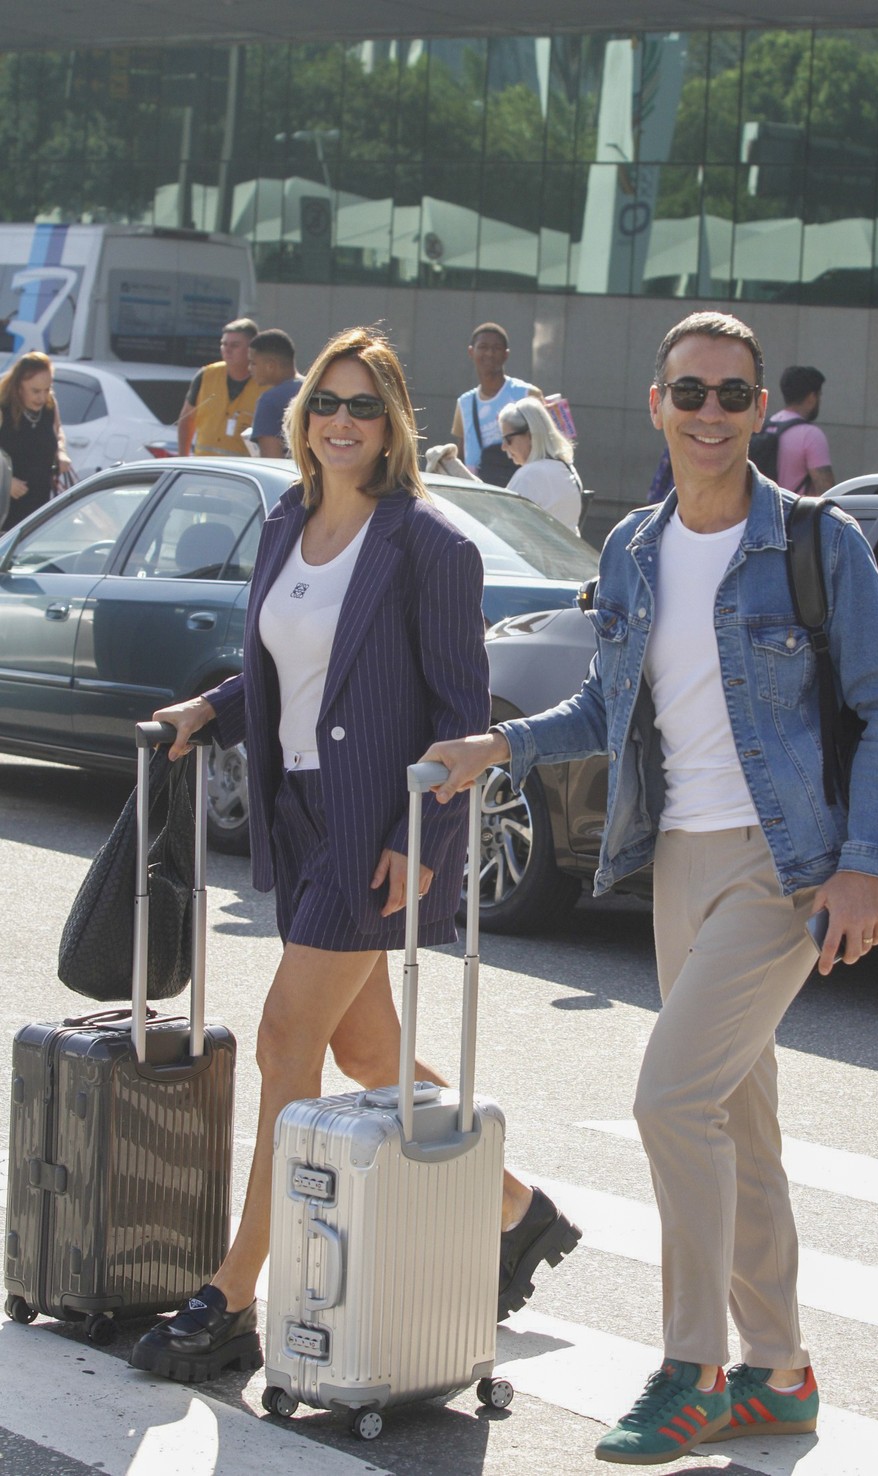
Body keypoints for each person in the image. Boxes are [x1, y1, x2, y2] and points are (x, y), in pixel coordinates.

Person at [420, 311, 878, 1465]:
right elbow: (607, 707)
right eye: (690, 392)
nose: (711, 413)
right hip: (677, 861)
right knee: (736, 1122)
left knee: (669, 1102)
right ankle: (781, 1374)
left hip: (785, 863)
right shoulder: (634, 548)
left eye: (733, 394)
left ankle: (691, 1367)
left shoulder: (814, 541)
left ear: (760, 410)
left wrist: (866, 863)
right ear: (656, 405)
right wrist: (497, 746)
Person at [130, 325, 578, 1383]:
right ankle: (515, 1210)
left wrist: (424, 841)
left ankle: (233, 1293)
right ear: (304, 416)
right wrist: (211, 707)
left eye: (364, 406)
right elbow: (290, 670)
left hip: (375, 829)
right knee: (372, 1058)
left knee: (286, 1042)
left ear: (394, 424)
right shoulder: (288, 521)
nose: (341, 421)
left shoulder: (430, 544)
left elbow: (462, 716)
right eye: (326, 403)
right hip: (297, 815)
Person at [451, 322, 541, 486]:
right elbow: (462, 451)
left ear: (506, 354)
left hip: (522, 486)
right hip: (479, 490)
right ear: (471, 351)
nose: (489, 353)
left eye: (496, 348)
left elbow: (548, 441)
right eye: (483, 347)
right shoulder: (465, 403)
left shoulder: (528, 394)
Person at [0, 351, 73, 531]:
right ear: (19, 386)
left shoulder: (49, 405)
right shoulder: (4, 407)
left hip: (38, 504)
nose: (42, 397)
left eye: (47, 389)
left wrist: (61, 452)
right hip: (5, 507)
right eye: (35, 391)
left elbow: (57, 431)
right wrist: (5, 481)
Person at [496, 396, 582, 532]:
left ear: (530, 435)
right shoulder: (567, 468)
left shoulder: (529, 474)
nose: (503, 447)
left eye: (508, 439)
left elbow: (503, 525)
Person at [177, 318, 260, 457]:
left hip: (241, 468)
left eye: (235, 345)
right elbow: (186, 419)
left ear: (252, 349)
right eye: (224, 344)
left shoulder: (265, 383)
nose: (227, 350)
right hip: (204, 464)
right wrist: (183, 457)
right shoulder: (206, 375)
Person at [772, 364, 834, 495]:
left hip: (763, 506)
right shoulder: (810, 435)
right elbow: (827, 490)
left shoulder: (767, 426)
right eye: (819, 395)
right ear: (812, 397)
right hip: (795, 507)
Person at [247, 328, 302, 456]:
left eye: (253, 363)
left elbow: (271, 459)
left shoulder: (269, 401)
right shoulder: (315, 388)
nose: (249, 368)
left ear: (270, 366)